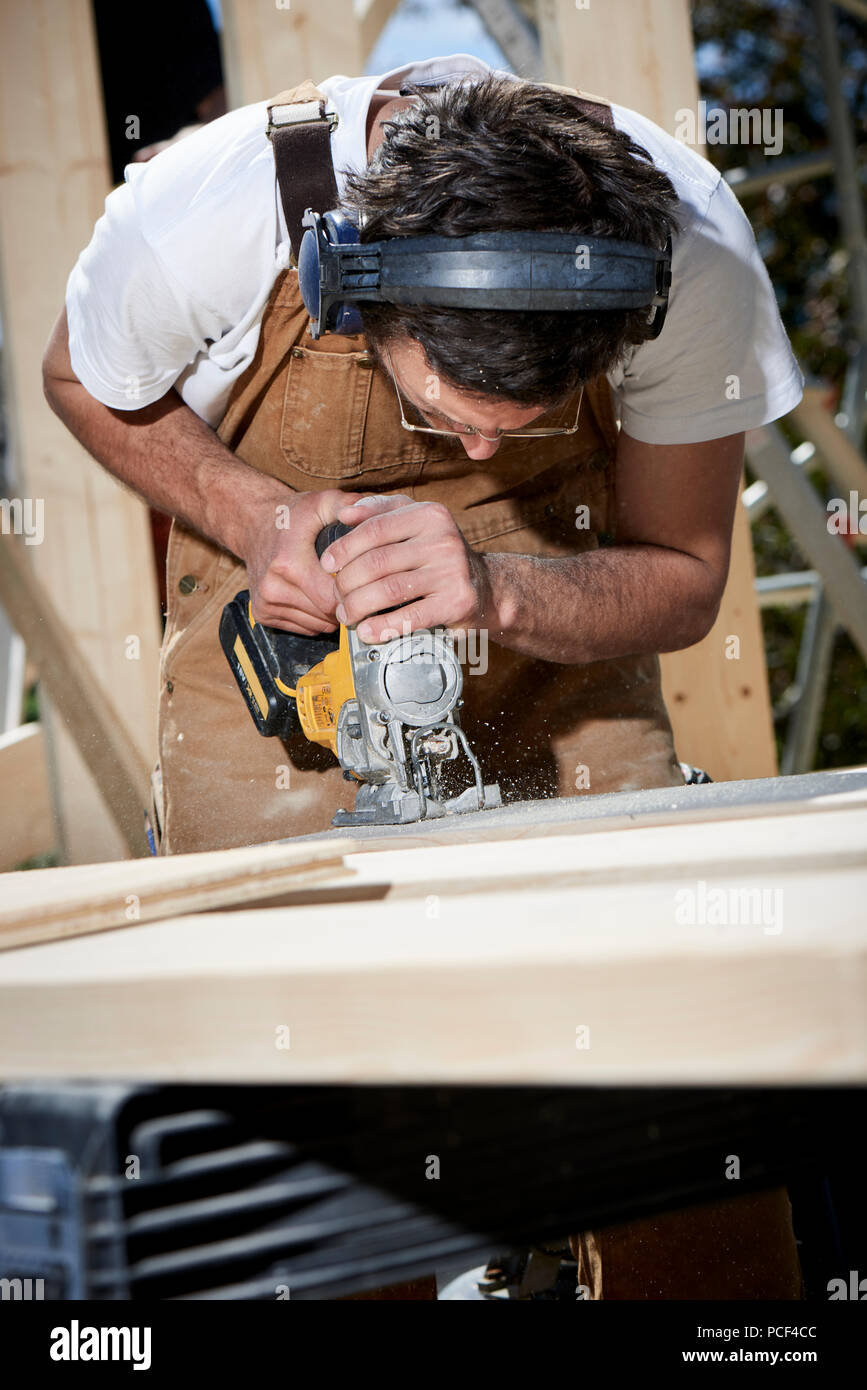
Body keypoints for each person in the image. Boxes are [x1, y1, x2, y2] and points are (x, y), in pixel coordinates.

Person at [42, 53, 805, 1300]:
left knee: (672, 1064)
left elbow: (681, 571)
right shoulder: (206, 212)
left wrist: (500, 591)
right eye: (453, 408)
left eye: (529, 415)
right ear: (357, 290)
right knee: (296, 1102)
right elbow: (79, 375)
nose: (487, 448)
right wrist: (258, 517)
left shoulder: (694, 254)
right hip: (283, 604)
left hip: (562, 611)